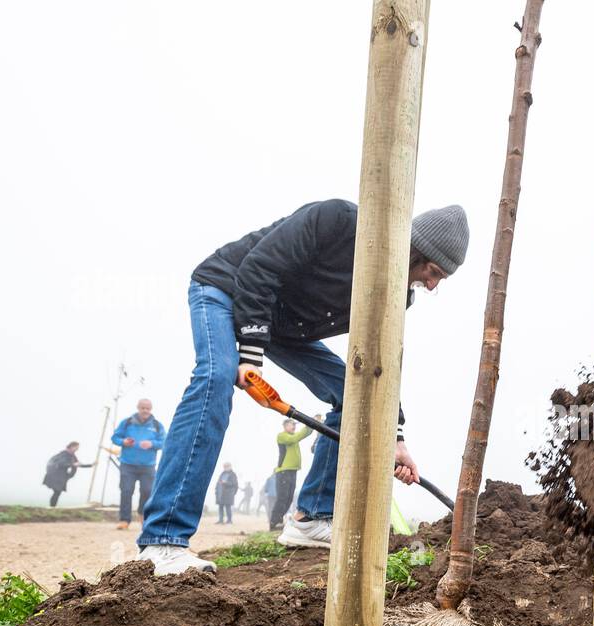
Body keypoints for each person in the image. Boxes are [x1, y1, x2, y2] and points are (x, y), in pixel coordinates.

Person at [135, 200, 469, 575]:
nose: (431, 284)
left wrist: (397, 435)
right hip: (226, 288)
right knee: (215, 379)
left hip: (286, 328)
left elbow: (377, 368)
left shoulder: (397, 297)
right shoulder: (336, 222)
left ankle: (311, 518)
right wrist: (251, 355)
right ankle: (163, 541)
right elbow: (258, 268)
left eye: (441, 280)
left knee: (352, 395)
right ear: (415, 248)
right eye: (433, 271)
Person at [111, 398, 164, 530]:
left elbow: (164, 442)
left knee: (147, 491)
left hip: (148, 465)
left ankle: (143, 516)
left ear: (151, 409)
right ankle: (124, 520)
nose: (145, 410)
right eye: (142, 408)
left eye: (147, 408)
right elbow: (115, 437)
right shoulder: (127, 422)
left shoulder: (157, 425)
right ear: (138, 408)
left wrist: (152, 444)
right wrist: (124, 442)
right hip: (127, 464)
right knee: (126, 491)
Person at [270, 419, 312, 531]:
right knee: (282, 498)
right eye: (291, 424)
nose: (294, 426)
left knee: (289, 499)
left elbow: (304, 434)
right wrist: (307, 426)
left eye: (295, 424)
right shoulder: (282, 436)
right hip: (283, 471)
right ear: (285, 425)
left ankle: (278, 521)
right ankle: (273, 523)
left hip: (292, 471)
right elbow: (295, 438)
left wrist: (311, 424)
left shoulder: (294, 436)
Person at [42, 442, 91, 507]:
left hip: (61, 476)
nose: (77, 449)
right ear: (71, 447)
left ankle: (52, 507)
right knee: (57, 492)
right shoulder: (64, 454)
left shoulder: (72, 456)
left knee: (57, 492)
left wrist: (91, 465)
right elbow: (61, 464)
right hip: (56, 475)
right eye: (76, 447)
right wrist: (72, 464)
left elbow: (78, 464)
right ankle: (52, 507)